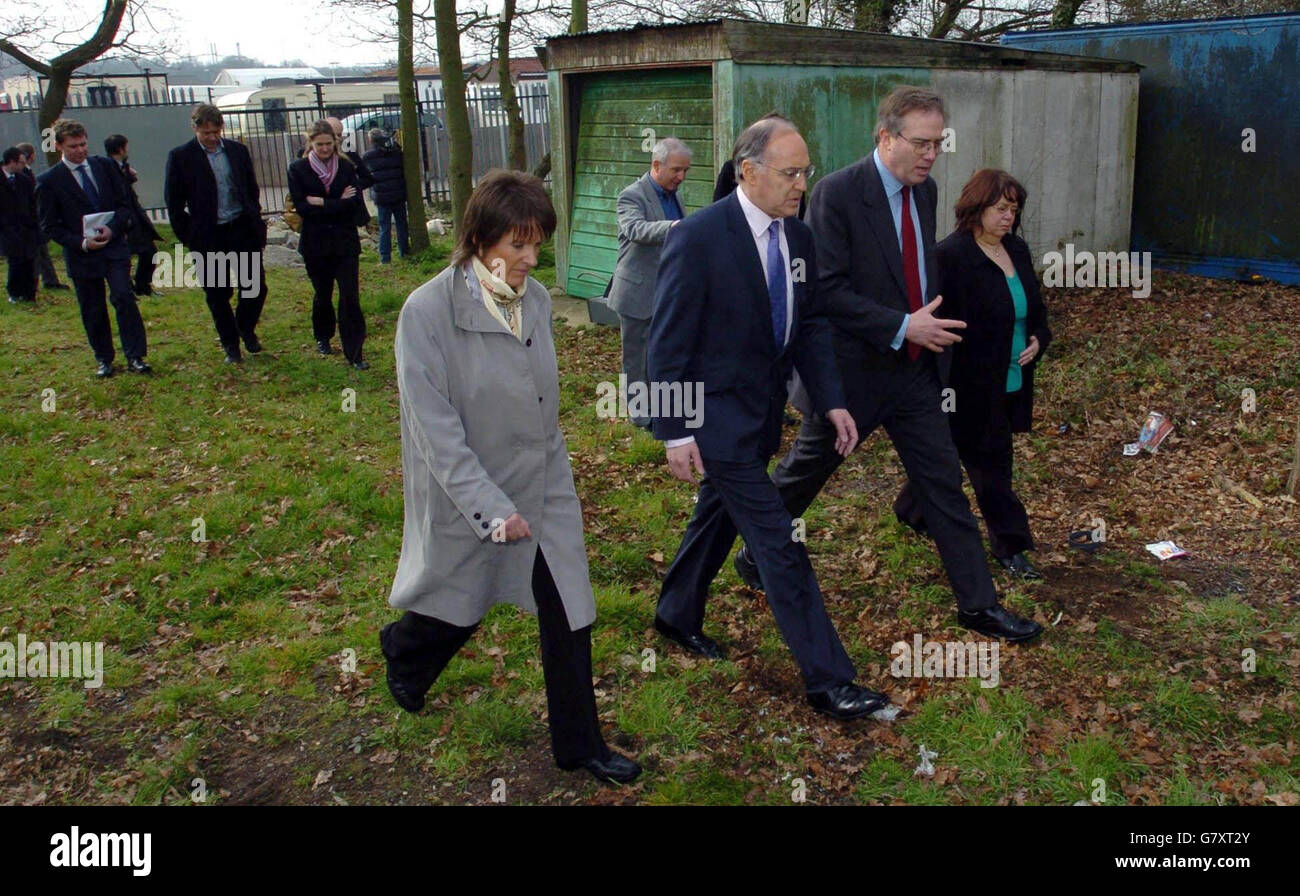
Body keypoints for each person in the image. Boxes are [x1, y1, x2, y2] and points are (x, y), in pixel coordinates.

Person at [733, 86, 1043, 644]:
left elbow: (916, 276)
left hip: (914, 373)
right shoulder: (836, 194)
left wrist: (926, 333)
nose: (930, 154)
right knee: (807, 472)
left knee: (944, 484)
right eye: (920, 143)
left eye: (937, 143)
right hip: (851, 375)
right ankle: (758, 546)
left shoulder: (924, 194)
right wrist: (902, 325)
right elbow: (825, 290)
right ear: (886, 137)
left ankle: (978, 605)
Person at [381, 169, 641, 785]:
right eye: (516, 246)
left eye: (537, 244)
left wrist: (550, 484)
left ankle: (580, 746)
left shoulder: (539, 301)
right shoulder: (426, 313)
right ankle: (407, 654)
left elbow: (541, 403)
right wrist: (491, 508)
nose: (530, 259)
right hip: (466, 490)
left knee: (568, 609)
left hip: (543, 482)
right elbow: (435, 433)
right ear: (478, 239)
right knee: (458, 605)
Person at [647, 114, 887, 721]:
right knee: (778, 540)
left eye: (806, 172)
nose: (801, 183)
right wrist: (674, 430)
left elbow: (807, 327)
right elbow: (666, 343)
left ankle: (676, 614)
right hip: (713, 419)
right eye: (790, 172)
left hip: (761, 416)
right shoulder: (697, 237)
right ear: (748, 171)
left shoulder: (797, 238)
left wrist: (832, 400)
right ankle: (829, 680)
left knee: (715, 517)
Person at [896, 169, 1052, 579]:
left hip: (1010, 380)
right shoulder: (951, 256)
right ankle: (1011, 546)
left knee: (954, 454)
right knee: (992, 467)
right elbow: (933, 322)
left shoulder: (1016, 251)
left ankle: (911, 509)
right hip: (966, 387)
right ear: (976, 208)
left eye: (1013, 209)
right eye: (1000, 208)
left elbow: (1034, 309)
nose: (1008, 217)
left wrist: (1038, 337)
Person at [35, 119, 150, 377]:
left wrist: (114, 227)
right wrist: (81, 242)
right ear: (59, 146)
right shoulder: (49, 181)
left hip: (113, 247)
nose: (79, 150)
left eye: (83, 144)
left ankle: (136, 355)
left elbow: (124, 204)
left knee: (123, 296)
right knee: (92, 306)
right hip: (82, 255)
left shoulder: (105, 167)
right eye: (73, 146)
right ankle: (104, 358)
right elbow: (50, 225)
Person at [164, 103, 268, 364]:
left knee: (255, 287)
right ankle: (230, 344)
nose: (212, 137)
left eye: (216, 131)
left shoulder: (237, 151)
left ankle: (244, 327)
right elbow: (173, 202)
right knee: (218, 293)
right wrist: (189, 235)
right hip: (208, 235)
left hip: (241, 229)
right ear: (195, 128)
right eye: (206, 132)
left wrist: (254, 218)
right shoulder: (181, 157)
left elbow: (250, 189)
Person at [607, 137, 690, 430]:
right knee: (637, 358)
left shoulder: (674, 195)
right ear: (656, 165)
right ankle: (640, 413)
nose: (681, 177)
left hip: (668, 292)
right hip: (637, 293)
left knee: (663, 352)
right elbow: (636, 229)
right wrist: (676, 227)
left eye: (685, 172)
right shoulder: (632, 196)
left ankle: (665, 405)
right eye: (676, 170)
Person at [287, 120, 370, 368]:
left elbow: (353, 204)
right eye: (319, 144)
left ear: (335, 142)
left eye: (328, 143)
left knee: (349, 297)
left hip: (345, 243)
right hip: (315, 244)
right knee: (323, 294)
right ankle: (323, 336)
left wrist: (322, 203)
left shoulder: (345, 167)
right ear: (310, 144)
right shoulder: (298, 169)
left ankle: (355, 352)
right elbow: (301, 206)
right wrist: (336, 202)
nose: (324, 148)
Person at [104, 134, 163, 297]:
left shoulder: (122, 166)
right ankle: (128, 288)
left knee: (149, 251)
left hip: (135, 215)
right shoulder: (108, 168)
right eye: (126, 147)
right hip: (123, 218)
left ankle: (141, 285)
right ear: (121, 148)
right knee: (125, 256)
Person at [17, 142, 70, 294]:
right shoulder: (23, 174)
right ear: (31, 156)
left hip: (33, 220)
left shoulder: (24, 173)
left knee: (42, 252)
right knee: (36, 253)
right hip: (31, 220)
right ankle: (34, 284)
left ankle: (49, 280)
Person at [361, 128, 408, 264]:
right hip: (398, 194)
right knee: (402, 225)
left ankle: (385, 257)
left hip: (382, 197)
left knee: (384, 227)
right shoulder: (397, 153)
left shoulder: (368, 156)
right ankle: (404, 252)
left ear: (371, 140)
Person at [2, 147, 40, 304]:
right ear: (11, 162)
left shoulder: (23, 180)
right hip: (6, 229)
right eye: (20, 163)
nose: (23, 166)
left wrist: (34, 222)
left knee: (29, 261)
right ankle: (15, 292)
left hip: (26, 228)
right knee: (15, 261)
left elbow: (32, 203)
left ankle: (29, 293)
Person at [322, 117, 375, 190]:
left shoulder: (348, 151)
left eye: (339, 135)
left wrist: (352, 187)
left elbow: (368, 178)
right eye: (333, 135)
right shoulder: (316, 156)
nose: (338, 138)